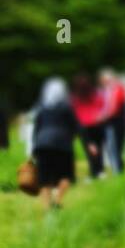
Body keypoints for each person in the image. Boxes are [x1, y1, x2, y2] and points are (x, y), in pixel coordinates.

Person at [31, 77, 77, 208]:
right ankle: (57, 201)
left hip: (42, 145)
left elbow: (36, 129)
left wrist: (34, 147)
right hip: (62, 145)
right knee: (67, 175)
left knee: (44, 178)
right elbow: (75, 126)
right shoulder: (66, 107)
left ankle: (46, 208)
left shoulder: (42, 108)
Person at [71, 72, 106, 178]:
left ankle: (93, 172)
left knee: (89, 150)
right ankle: (100, 170)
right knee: (99, 148)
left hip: (83, 126)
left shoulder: (75, 97)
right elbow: (102, 106)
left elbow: (73, 112)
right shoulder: (96, 94)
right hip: (97, 123)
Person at [98, 69, 125, 173]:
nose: (102, 82)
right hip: (111, 121)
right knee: (112, 147)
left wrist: (102, 117)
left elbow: (114, 108)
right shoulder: (107, 90)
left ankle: (117, 170)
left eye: (104, 80)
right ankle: (117, 168)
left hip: (116, 122)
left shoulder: (117, 89)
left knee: (115, 147)